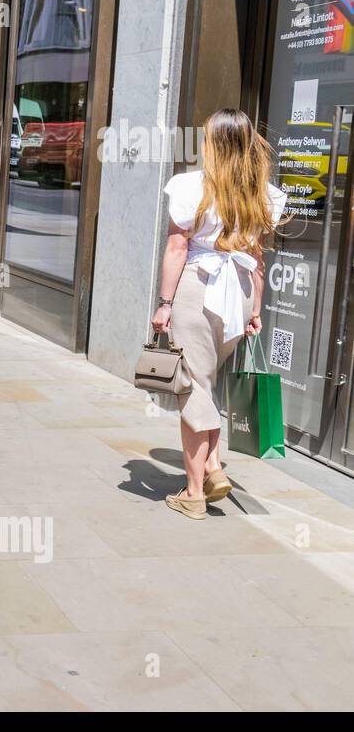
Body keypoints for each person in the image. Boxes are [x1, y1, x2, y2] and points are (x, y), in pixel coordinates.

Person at [151, 109, 288, 521]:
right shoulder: (262, 192)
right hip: (241, 289)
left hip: (199, 286)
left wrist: (164, 302)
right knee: (204, 382)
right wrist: (256, 308)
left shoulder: (191, 186)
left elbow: (177, 248)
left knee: (191, 387)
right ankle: (211, 469)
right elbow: (258, 257)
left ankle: (197, 488)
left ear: (214, 143)